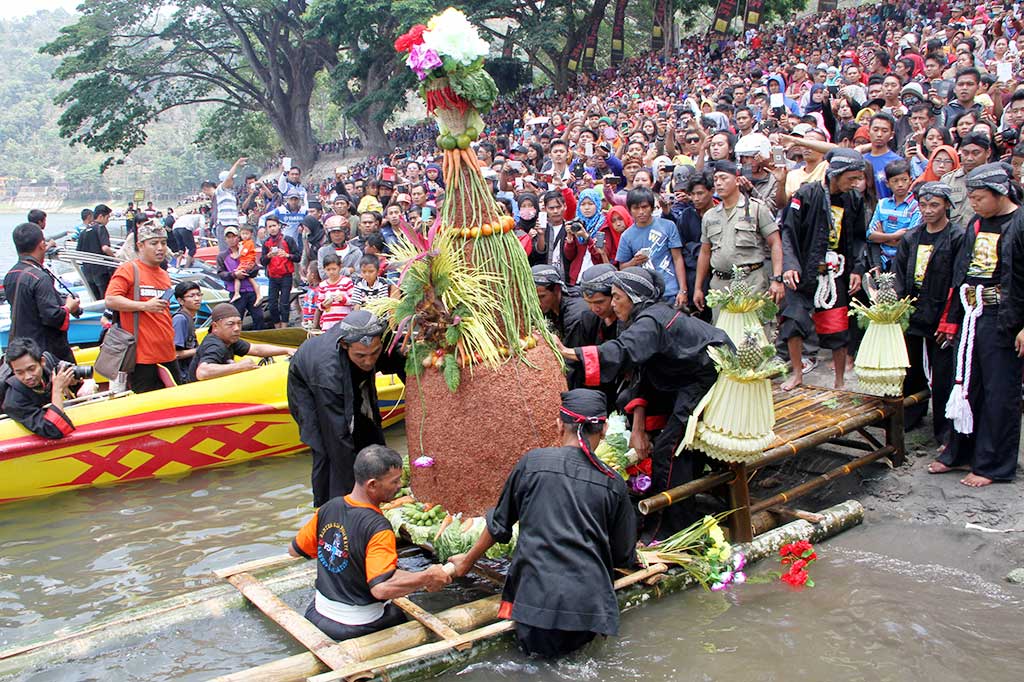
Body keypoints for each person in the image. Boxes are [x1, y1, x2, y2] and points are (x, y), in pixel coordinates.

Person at [448, 389, 636, 658]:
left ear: (559, 425)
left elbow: (499, 525)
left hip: (536, 602)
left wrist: (467, 562)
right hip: (588, 608)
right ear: (603, 429)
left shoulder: (532, 464)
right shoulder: (612, 482)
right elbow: (623, 555)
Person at [555, 267, 730, 539]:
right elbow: (642, 373)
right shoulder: (644, 318)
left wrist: (571, 353)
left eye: (616, 297)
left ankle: (672, 528)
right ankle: (683, 509)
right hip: (685, 380)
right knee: (664, 439)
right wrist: (638, 428)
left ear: (634, 297)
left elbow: (622, 352)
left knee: (669, 450)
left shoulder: (651, 320)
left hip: (705, 376)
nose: (612, 305)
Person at [289, 445, 451, 640]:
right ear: (372, 485)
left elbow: (294, 550)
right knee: (397, 614)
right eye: (395, 481)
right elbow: (381, 589)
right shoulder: (378, 527)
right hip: (357, 624)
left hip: (317, 613)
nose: (400, 485)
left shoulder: (328, 508)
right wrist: (426, 576)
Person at [931, 163, 1024, 487]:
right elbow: (963, 270)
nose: (974, 203)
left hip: (1006, 317)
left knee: (1000, 391)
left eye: (980, 197)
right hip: (973, 313)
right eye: (970, 197)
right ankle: (959, 451)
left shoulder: (1020, 223)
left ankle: (992, 464)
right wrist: (952, 317)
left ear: (1001, 194)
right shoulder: (975, 223)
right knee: (966, 383)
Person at [287, 311, 404, 506]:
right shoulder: (327, 374)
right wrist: (356, 494)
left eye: (374, 353)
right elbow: (338, 437)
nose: (369, 361)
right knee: (327, 447)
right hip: (311, 389)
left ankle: (380, 488)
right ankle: (332, 505)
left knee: (368, 428)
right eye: (361, 355)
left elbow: (399, 359)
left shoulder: (380, 337)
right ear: (344, 345)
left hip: (350, 373)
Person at [779, 148, 867, 391]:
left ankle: (839, 381)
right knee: (793, 320)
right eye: (851, 178)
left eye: (858, 178)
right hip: (804, 268)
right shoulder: (807, 193)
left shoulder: (854, 199)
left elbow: (860, 237)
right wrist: (790, 265)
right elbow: (788, 232)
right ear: (835, 174)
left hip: (835, 271)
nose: (856, 184)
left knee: (837, 326)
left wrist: (856, 269)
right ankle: (797, 373)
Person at [891, 182, 963, 443]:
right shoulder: (912, 237)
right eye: (923, 205)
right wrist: (898, 307)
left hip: (941, 311)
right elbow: (900, 274)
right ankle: (912, 414)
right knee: (910, 368)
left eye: (934, 205)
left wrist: (951, 316)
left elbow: (958, 279)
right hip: (914, 309)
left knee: (942, 372)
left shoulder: (957, 237)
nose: (928, 210)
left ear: (946, 205)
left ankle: (944, 428)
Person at [693, 161, 785, 318]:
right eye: (716, 180)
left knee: (752, 333)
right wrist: (698, 287)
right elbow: (705, 252)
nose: (719, 183)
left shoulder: (756, 209)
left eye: (723, 178)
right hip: (720, 285)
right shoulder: (710, 215)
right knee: (723, 334)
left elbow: (775, 242)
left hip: (751, 282)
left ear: (737, 180)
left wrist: (777, 279)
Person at [105, 222, 180, 392]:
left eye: (163, 243)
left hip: (167, 351)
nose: (160, 248)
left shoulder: (164, 275)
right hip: (142, 357)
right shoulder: (129, 269)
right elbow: (110, 299)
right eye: (154, 243)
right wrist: (144, 306)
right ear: (140, 245)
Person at [3, 222, 80, 363]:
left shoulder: (10, 274)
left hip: (21, 347)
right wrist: (69, 307)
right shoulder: (40, 278)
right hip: (44, 350)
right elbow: (53, 317)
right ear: (41, 245)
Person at [615, 187, 688, 308]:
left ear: (652, 207)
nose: (641, 212)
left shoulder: (668, 226)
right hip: (643, 296)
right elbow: (622, 267)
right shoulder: (626, 236)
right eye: (636, 208)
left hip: (670, 292)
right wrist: (634, 261)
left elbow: (678, 259)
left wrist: (683, 290)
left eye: (644, 207)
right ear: (629, 210)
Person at [1, 338, 86, 439]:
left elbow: (76, 381)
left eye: (31, 369)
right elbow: (53, 430)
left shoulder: (50, 362)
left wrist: (79, 384)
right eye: (19, 372)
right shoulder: (14, 401)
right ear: (13, 371)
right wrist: (57, 390)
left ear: (42, 361)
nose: (27, 376)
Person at [188, 303, 294, 381]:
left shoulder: (229, 340)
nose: (236, 328)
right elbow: (202, 372)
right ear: (215, 326)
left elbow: (256, 349)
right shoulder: (215, 345)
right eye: (230, 324)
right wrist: (240, 367)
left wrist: (287, 350)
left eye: (239, 323)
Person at [867, 159, 922, 271]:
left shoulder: (916, 207)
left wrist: (881, 237)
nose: (900, 184)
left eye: (904, 180)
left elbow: (909, 240)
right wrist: (894, 236)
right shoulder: (882, 204)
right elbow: (870, 235)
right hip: (882, 261)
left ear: (910, 180)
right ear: (887, 183)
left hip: (904, 261)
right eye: (895, 181)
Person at [531, 265, 597, 348]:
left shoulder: (575, 316)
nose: (537, 303)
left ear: (557, 289)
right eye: (533, 298)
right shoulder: (551, 305)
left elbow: (572, 355)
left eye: (541, 296)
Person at [217, 226, 265, 330]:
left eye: (233, 236)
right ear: (225, 239)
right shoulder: (222, 256)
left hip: (250, 290)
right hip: (236, 292)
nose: (231, 239)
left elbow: (255, 267)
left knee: (259, 317)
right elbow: (221, 273)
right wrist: (234, 275)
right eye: (228, 237)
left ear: (238, 237)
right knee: (237, 319)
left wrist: (248, 271)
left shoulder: (246, 250)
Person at [260, 216, 301, 329]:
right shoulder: (266, 243)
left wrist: (287, 255)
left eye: (274, 225)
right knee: (272, 304)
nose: (272, 229)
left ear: (279, 226)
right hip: (273, 276)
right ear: (267, 229)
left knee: (284, 303)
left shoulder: (288, 240)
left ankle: (284, 326)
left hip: (286, 276)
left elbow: (298, 257)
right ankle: (277, 326)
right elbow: (262, 261)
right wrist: (268, 256)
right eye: (270, 227)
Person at [201, 157, 247, 245]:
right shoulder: (220, 190)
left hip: (233, 224)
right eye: (232, 179)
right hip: (224, 224)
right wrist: (236, 164)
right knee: (225, 251)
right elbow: (229, 177)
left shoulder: (232, 193)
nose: (233, 181)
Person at [76, 204, 115, 300]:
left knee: (95, 299)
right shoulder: (101, 228)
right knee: (106, 298)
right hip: (101, 270)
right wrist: (115, 256)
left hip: (88, 271)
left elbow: (78, 252)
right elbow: (105, 248)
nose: (108, 221)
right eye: (107, 218)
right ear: (101, 216)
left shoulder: (84, 232)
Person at [171, 281, 202, 383]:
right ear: (180, 301)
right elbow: (175, 354)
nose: (197, 299)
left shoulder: (189, 318)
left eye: (199, 294)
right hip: (184, 375)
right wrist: (201, 349)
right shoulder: (180, 319)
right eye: (191, 296)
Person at [316, 254, 355, 331]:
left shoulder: (347, 282)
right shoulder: (322, 285)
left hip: (344, 322)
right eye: (328, 269)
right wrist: (324, 305)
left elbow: (354, 301)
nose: (331, 272)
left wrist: (343, 299)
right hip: (328, 323)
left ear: (340, 267)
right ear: (324, 269)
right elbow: (319, 305)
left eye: (334, 269)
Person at [231, 224, 261, 305]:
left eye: (246, 234)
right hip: (246, 262)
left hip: (247, 262)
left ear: (251, 234)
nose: (244, 236)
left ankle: (237, 293)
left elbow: (242, 253)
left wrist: (236, 256)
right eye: (243, 234)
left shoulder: (248, 243)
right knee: (250, 278)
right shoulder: (243, 243)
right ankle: (258, 294)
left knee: (237, 275)